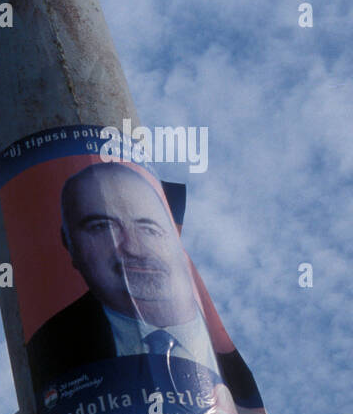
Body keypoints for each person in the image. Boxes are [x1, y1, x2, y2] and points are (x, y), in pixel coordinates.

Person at [27, 162, 241, 398]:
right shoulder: (48, 348)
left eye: (149, 229)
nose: (134, 249)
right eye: (102, 227)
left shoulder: (222, 355)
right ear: (69, 243)